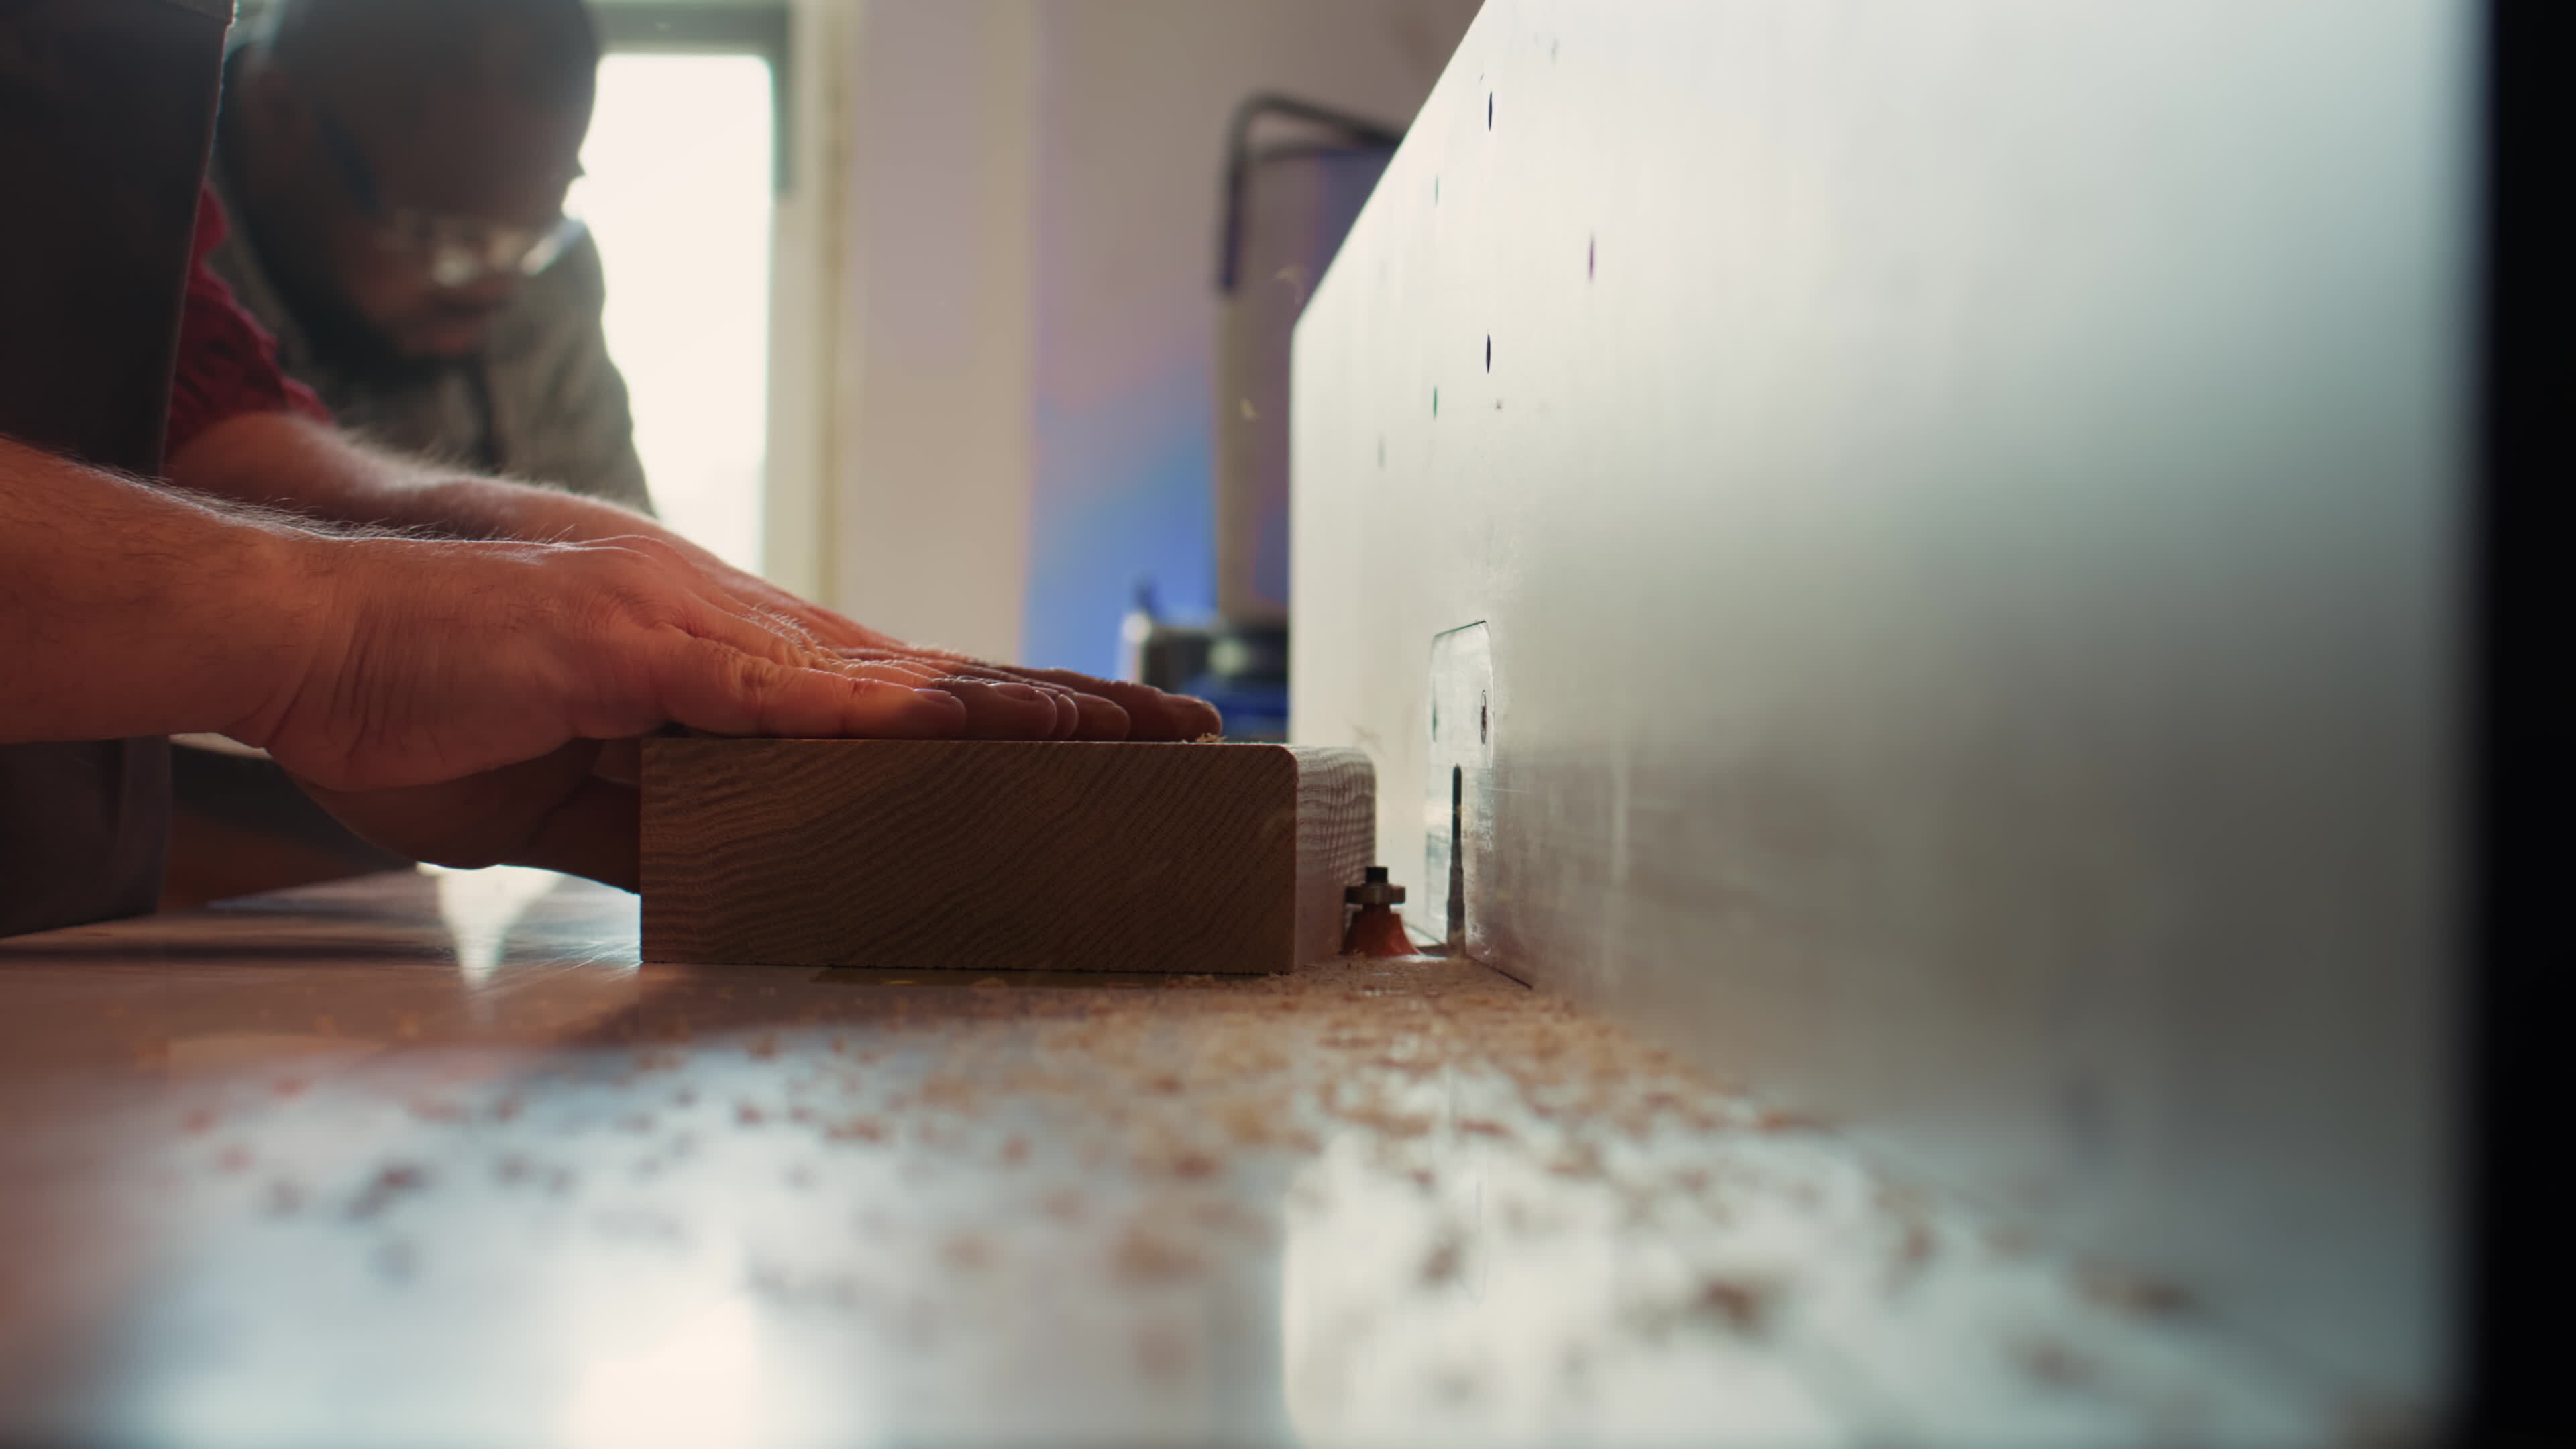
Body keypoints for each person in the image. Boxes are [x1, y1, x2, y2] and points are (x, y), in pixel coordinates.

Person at [0, 0, 1216, 940]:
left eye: (520, 244)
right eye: (443, 240)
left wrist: (576, 571)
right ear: (269, 119)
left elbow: (150, 366)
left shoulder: (537, 286)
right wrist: (341, 637)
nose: (485, 283)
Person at [207, 0, 645, 508]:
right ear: (277, 110)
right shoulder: (134, 260)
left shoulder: (549, 273)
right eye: (448, 239)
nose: (496, 293)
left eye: (529, 240)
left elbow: (615, 525)